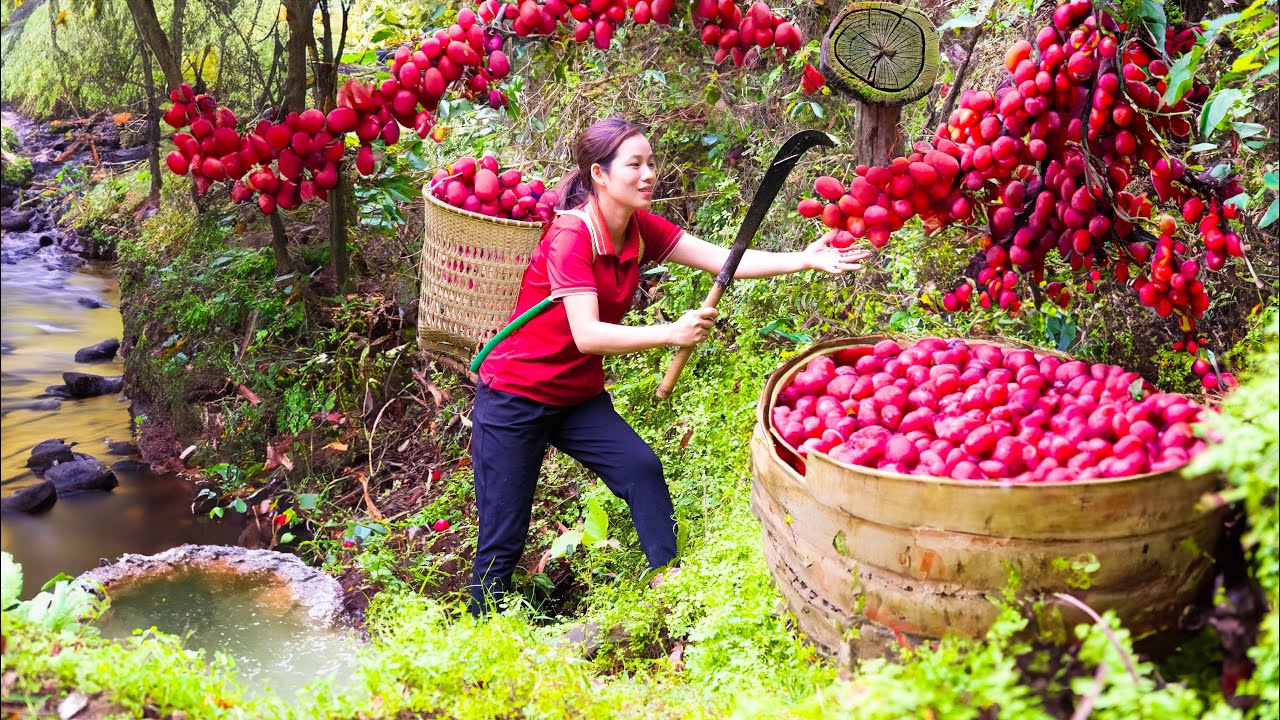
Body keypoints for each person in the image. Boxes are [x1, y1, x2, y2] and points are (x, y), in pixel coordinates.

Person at [468, 117, 867, 615]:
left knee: (641, 469)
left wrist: (801, 260)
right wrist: (670, 333)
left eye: (650, 162)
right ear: (599, 174)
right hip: (515, 394)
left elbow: (725, 259)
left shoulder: (639, 229)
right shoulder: (572, 237)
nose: (648, 173)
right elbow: (587, 334)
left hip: (574, 397)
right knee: (504, 536)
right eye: (634, 164)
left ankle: (670, 586)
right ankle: (484, 630)